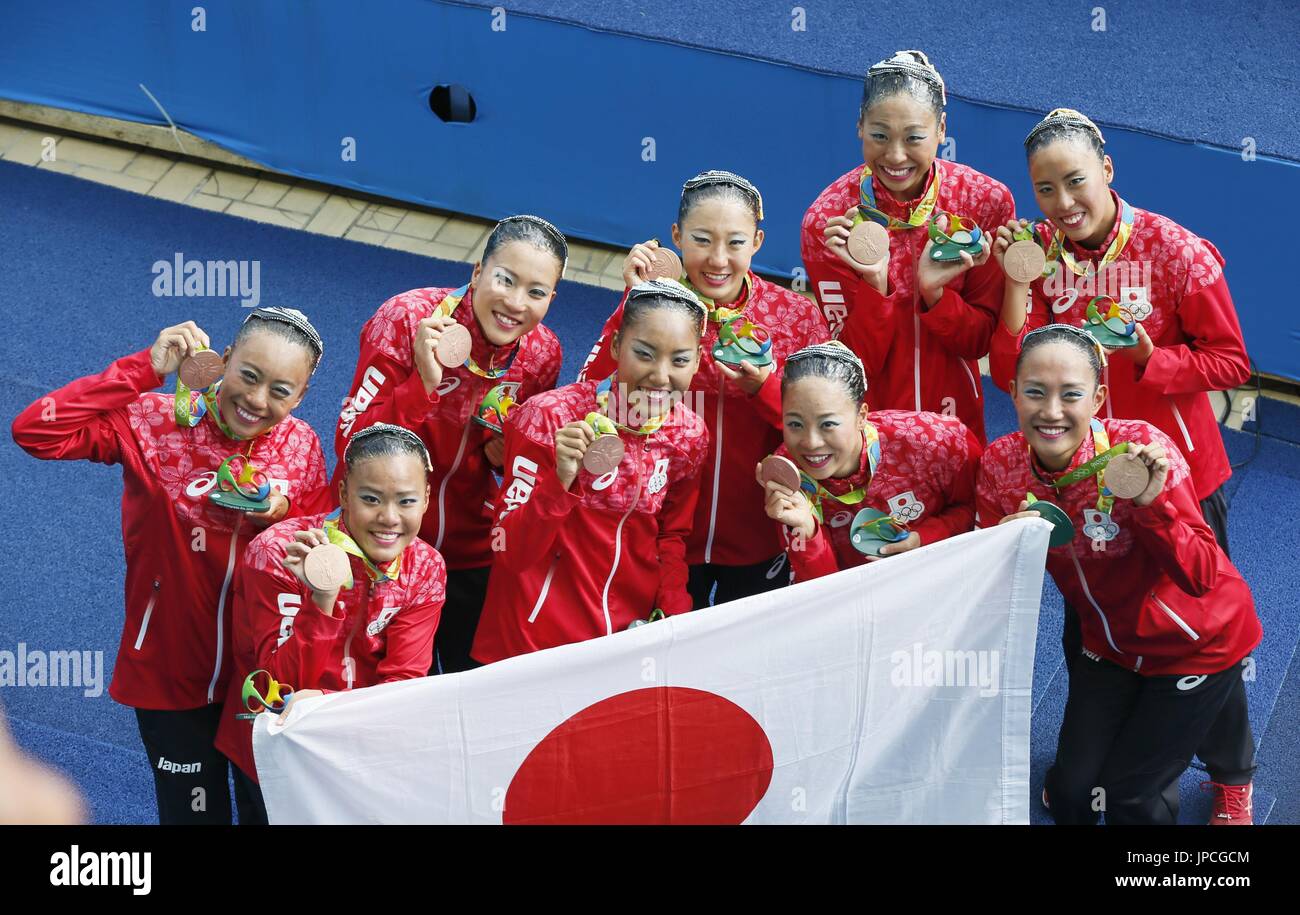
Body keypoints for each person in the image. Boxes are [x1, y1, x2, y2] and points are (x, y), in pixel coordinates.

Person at [986, 109, 1254, 810]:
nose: (1063, 203)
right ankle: (1102, 751)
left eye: (1075, 181)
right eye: (1045, 190)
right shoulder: (1040, 253)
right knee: (1091, 621)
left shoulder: (1175, 251)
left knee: (1201, 621)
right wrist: (1017, 278)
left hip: (1172, 476)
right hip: (1073, 475)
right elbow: (1007, 367)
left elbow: (1230, 361)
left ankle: (1232, 776)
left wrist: (1149, 359)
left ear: (1107, 168)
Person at [11, 308, 329, 824]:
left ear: (301, 396)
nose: (256, 399)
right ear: (223, 359)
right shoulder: (154, 422)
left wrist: (284, 515)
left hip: (262, 673)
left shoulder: (302, 446)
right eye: (248, 375)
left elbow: (314, 547)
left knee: (266, 813)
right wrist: (143, 368)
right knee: (194, 815)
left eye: (280, 390)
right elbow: (36, 431)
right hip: (169, 669)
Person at [977, 324, 1260, 824]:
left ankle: (1229, 779)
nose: (1052, 411)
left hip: (1195, 642)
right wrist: (1004, 544)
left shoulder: (1141, 450)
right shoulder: (1001, 465)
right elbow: (988, 582)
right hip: (1107, 646)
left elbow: (1202, 577)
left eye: (1072, 394)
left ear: (1098, 397)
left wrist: (1153, 506)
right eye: (1036, 392)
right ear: (1014, 392)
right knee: (1072, 802)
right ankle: (1141, 752)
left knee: (1130, 799)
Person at [579, 170, 830, 607]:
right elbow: (588, 394)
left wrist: (766, 390)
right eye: (701, 239)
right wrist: (631, 304)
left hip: (760, 534)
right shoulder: (652, 310)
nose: (718, 259)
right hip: (660, 530)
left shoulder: (794, 318)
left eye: (735, 242)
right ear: (676, 236)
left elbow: (826, 430)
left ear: (757, 242)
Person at [336, 215, 565, 673]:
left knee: (471, 697)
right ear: (478, 272)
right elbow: (351, 444)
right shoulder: (406, 320)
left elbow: (519, 465)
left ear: (551, 299)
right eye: (505, 279)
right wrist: (422, 384)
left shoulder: (542, 354)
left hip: (473, 553)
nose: (516, 303)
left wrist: (508, 453)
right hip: (380, 545)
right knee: (376, 700)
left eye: (536, 292)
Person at [215, 423, 446, 824]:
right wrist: (321, 600)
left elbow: (404, 681)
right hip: (275, 747)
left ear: (426, 499)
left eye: (406, 501)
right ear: (343, 493)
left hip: (358, 750)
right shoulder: (278, 554)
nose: (389, 519)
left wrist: (336, 721)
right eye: (371, 499)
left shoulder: (425, 567)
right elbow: (274, 686)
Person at [471, 280, 709, 663]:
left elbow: (671, 535)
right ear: (616, 346)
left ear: (697, 360)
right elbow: (507, 549)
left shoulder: (689, 434)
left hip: (623, 643)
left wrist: (675, 614)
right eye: (644, 354)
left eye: (680, 360)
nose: (661, 376)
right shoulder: (548, 418)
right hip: (532, 643)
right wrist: (559, 483)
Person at [802, 49, 1015, 444]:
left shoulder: (983, 202)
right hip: (867, 432)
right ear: (860, 126)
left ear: (941, 129)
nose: (896, 155)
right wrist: (875, 284)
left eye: (914, 137)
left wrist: (935, 296)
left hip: (956, 425)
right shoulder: (828, 222)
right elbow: (850, 364)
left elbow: (980, 340)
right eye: (879, 135)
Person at [758, 342, 980, 581]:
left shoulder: (936, 441)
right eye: (795, 424)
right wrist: (807, 529)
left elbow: (976, 511)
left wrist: (924, 538)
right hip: (851, 600)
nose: (811, 443)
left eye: (828, 424)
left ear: (861, 416)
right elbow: (821, 593)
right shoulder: (787, 478)